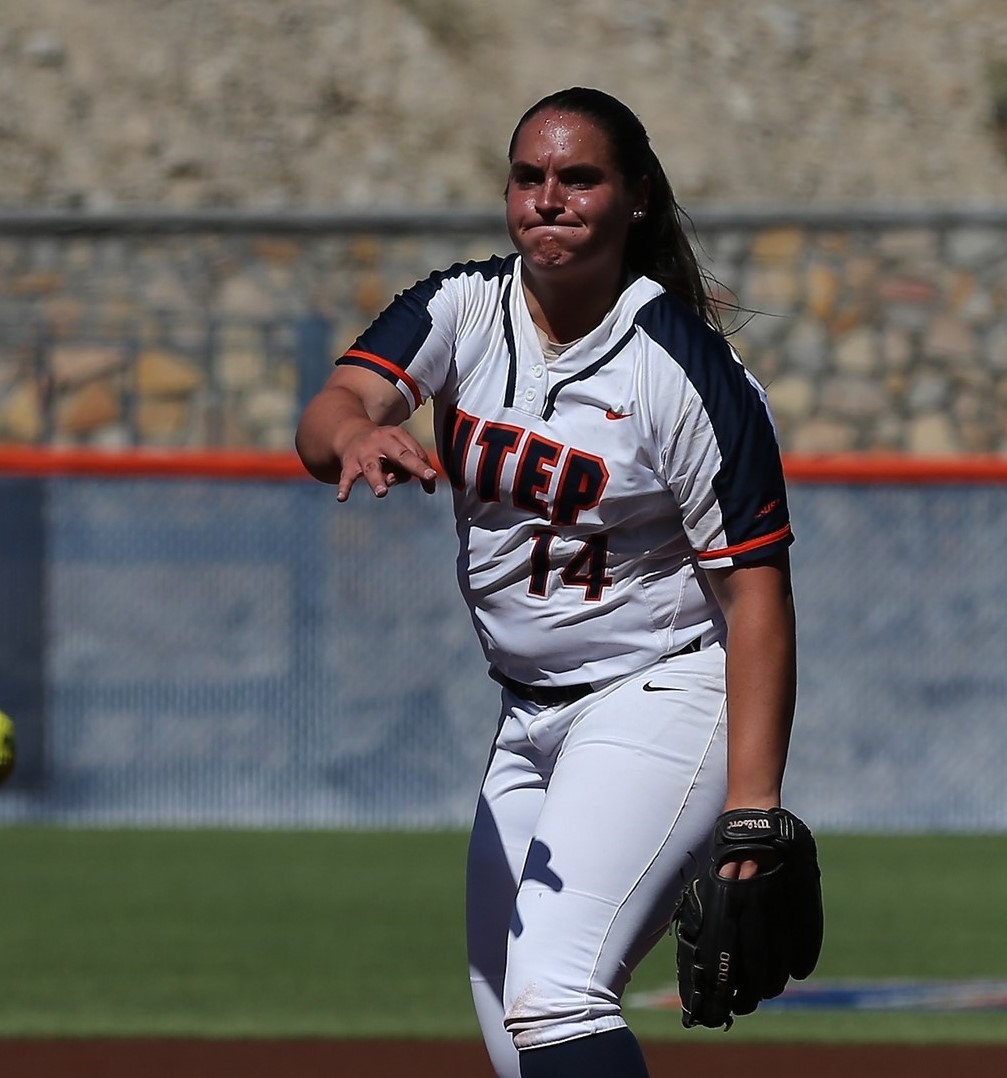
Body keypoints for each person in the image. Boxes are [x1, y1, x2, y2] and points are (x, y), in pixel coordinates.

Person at [294, 87, 798, 1078]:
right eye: (528, 177)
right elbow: (333, 404)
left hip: (654, 698)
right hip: (524, 722)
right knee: (516, 1037)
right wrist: (354, 430)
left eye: (578, 177)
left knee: (555, 997)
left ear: (635, 198)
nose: (547, 198)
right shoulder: (461, 307)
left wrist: (752, 811)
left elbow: (755, 600)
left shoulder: (682, 370)